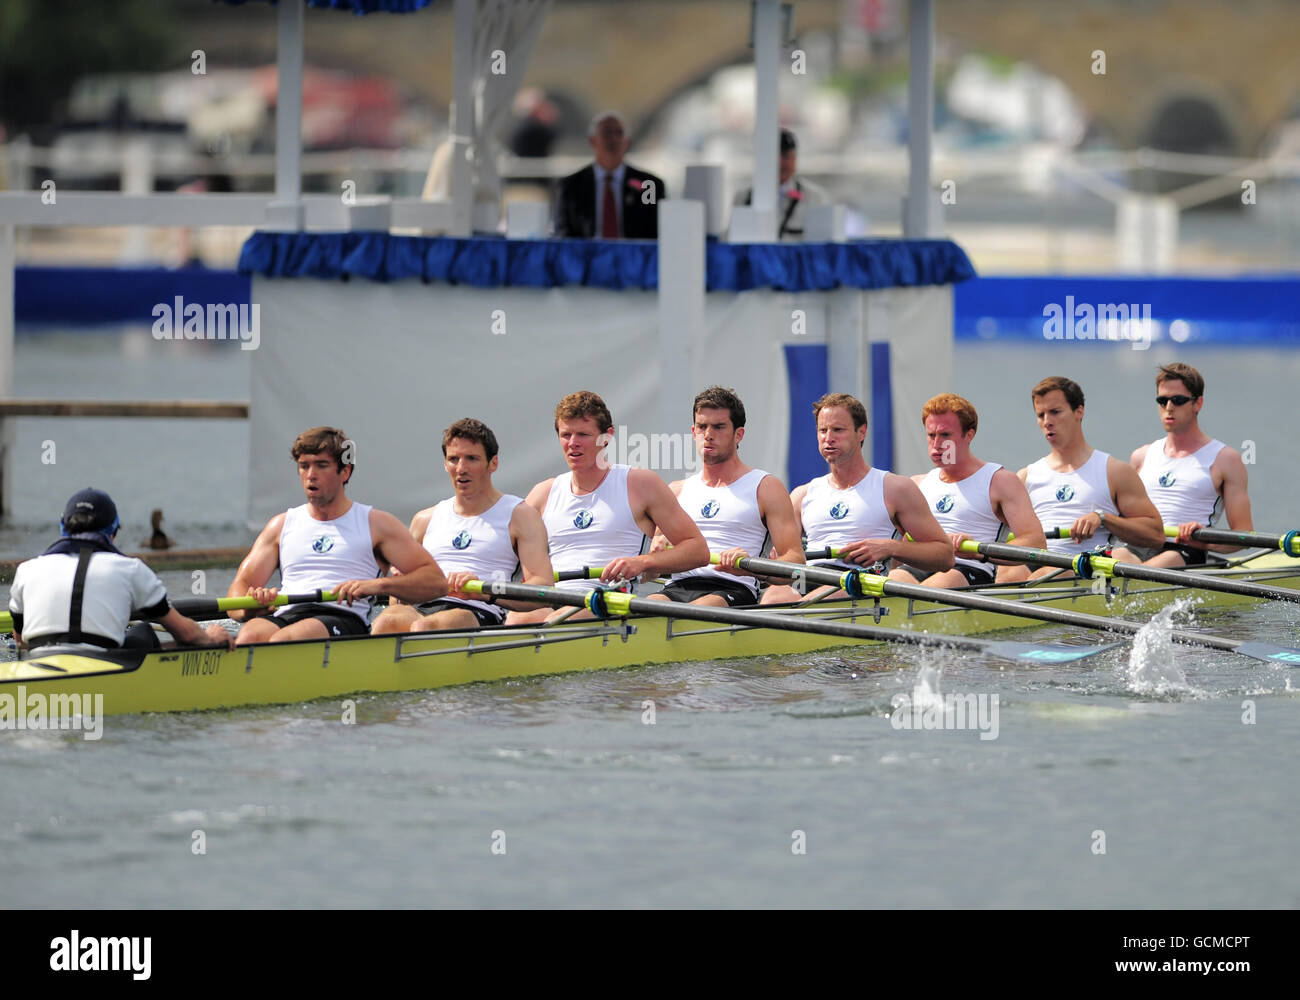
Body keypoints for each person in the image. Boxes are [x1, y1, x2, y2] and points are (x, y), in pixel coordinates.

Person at [227, 427, 448, 644]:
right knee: (250, 635)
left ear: (345, 472)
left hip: (343, 617)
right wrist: (248, 607)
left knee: (284, 640)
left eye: (322, 466)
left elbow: (435, 582)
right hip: (289, 613)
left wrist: (378, 585)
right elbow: (239, 588)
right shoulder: (280, 525)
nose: (311, 475)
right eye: (304, 466)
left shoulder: (376, 524)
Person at [506, 391, 708, 625]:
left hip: (608, 600)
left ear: (607, 436)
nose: (573, 443)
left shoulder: (640, 484)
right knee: (515, 620)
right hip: (553, 597)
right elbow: (506, 558)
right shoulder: (542, 494)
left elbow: (698, 550)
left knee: (558, 620)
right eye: (566, 435)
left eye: (583, 434)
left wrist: (643, 562)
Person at [372, 419, 553, 633]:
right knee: (385, 622)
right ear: (445, 464)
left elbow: (543, 588)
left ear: (493, 463)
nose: (461, 469)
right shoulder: (424, 520)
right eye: (453, 459)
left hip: (478, 609)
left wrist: (484, 592)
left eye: (472, 459)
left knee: (424, 627)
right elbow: (397, 599)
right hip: (423, 605)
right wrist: (402, 588)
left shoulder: (520, 515)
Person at [8, 488, 232, 655]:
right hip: (102, 672)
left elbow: (21, 643)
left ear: (63, 527)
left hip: (37, 670)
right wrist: (211, 637)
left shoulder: (27, 571)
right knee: (143, 631)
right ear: (113, 532)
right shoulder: (131, 569)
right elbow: (187, 635)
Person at [652, 386, 805, 606]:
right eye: (702, 427)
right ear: (693, 431)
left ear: (738, 434)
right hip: (678, 587)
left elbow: (796, 563)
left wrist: (751, 567)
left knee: (696, 611)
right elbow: (649, 574)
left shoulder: (765, 487)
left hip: (734, 587)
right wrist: (653, 560)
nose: (708, 435)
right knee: (648, 608)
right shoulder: (675, 491)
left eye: (719, 427)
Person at [790, 393, 952, 594]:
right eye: (823, 430)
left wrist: (890, 548)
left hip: (859, 580)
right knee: (773, 597)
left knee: (802, 605)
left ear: (862, 432)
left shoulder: (895, 488)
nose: (828, 438)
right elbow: (784, 557)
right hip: (805, 578)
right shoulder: (801, 495)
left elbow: (945, 555)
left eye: (838, 430)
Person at [1017, 376, 1165, 572]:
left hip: (1087, 567)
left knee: (1046, 573)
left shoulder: (1114, 471)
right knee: (1006, 572)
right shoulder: (1026, 476)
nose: (1047, 422)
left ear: (1079, 411)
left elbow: (1156, 536)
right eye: (1041, 415)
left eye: (1055, 412)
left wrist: (1103, 518)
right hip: (1038, 561)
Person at [901, 393, 1046, 587]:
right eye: (931, 435)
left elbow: (1036, 543)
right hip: (924, 564)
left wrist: (978, 552)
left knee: (935, 586)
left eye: (945, 435)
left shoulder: (1000, 481)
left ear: (969, 435)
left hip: (971, 567)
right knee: (893, 579)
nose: (936, 445)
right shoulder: (918, 484)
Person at [1125, 362, 1252, 567]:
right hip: (1139, 545)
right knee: (1107, 563)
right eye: (1162, 400)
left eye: (1178, 400)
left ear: (1197, 404)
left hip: (1186, 551)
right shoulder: (1141, 456)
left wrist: (1205, 541)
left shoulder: (1226, 459)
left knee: (1136, 573)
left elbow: (1244, 535)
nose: (1169, 407)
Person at [553, 112, 666, 239]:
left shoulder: (648, 185)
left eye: (619, 133)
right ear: (593, 141)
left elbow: (655, 234)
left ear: (627, 141)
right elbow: (563, 237)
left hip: (634, 257)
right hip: (587, 257)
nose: (613, 139)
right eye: (606, 133)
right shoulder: (570, 187)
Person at [733, 128, 830, 240]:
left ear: (795, 159)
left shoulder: (814, 198)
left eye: (785, 156)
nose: (779, 163)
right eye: (772, 156)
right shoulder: (743, 198)